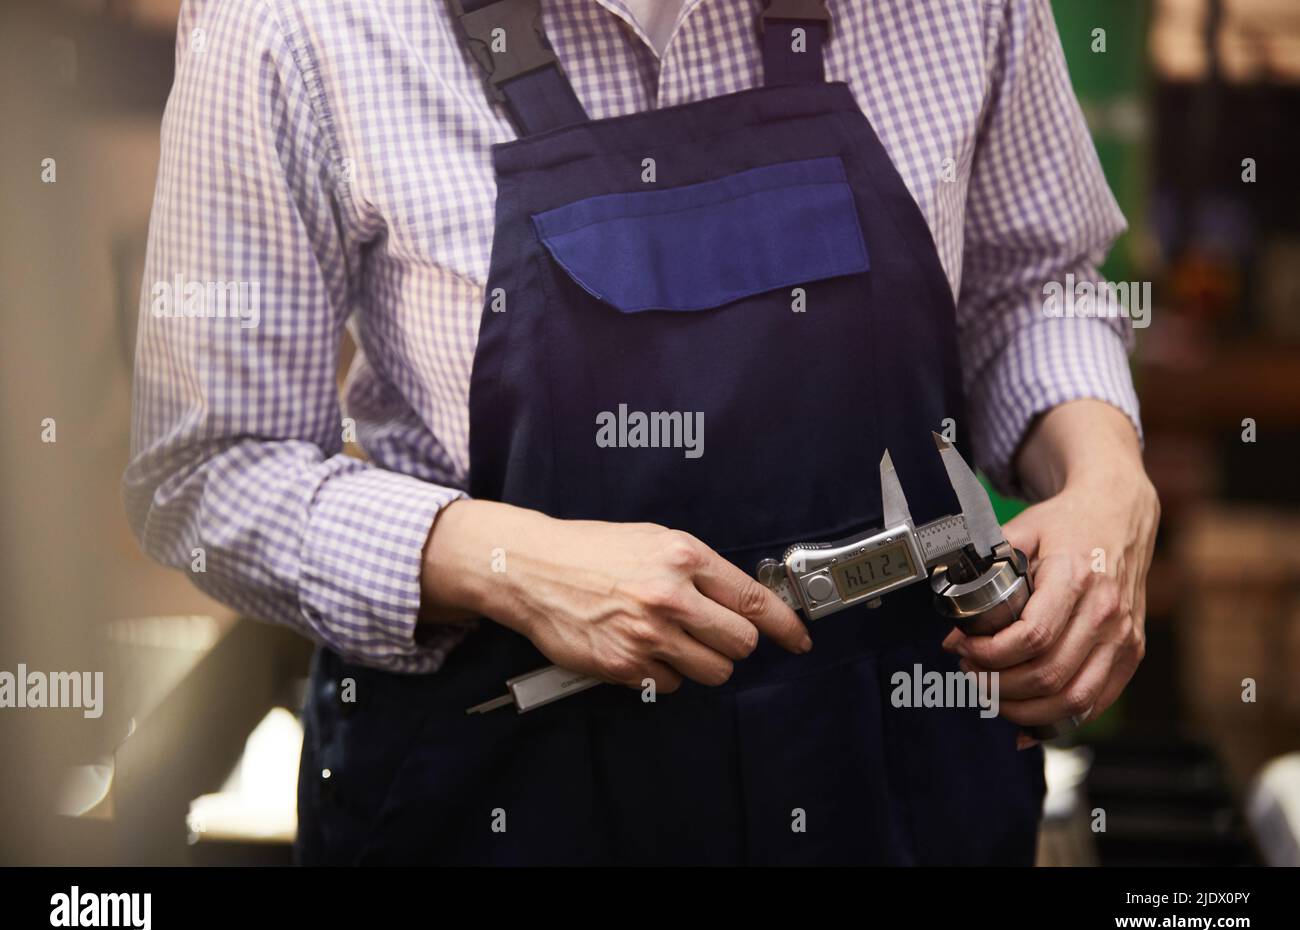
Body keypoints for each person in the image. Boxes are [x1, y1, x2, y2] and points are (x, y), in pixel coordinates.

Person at [126, 0, 1159, 864]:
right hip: (500, 795)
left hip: (895, 789)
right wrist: (507, 562)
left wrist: (1105, 477)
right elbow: (209, 468)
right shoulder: (297, 24)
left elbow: (1032, 283)